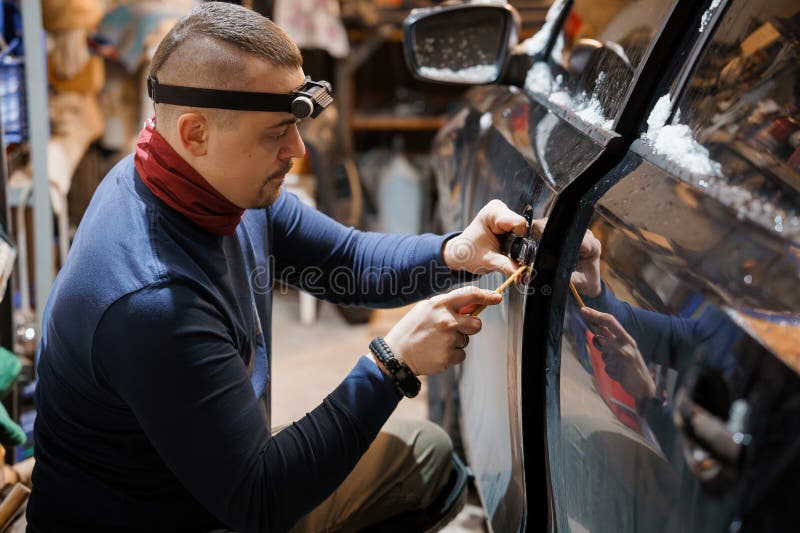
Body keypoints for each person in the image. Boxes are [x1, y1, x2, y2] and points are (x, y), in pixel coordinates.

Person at [26, 3, 532, 532]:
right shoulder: (152, 299)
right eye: (276, 133)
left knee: (425, 452)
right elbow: (259, 500)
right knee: (421, 462)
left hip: (203, 492)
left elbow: (349, 262)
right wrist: (393, 363)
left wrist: (456, 253)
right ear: (196, 132)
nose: (298, 147)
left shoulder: (210, 184)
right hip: (183, 516)